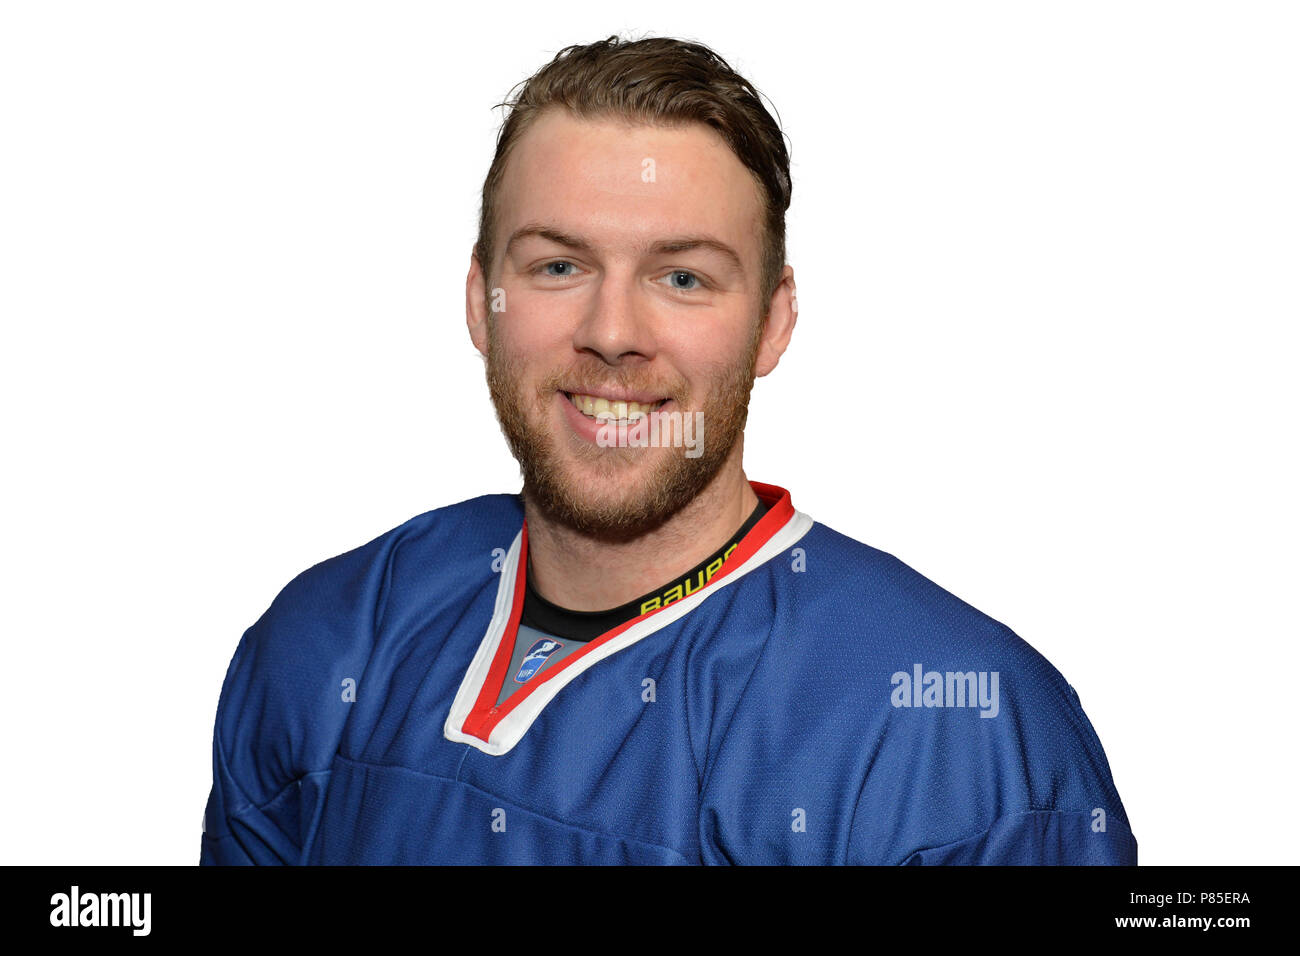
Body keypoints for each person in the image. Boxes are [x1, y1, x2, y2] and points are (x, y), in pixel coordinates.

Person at [201, 34, 1136, 865]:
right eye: (558, 266)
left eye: (683, 276)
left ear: (774, 323)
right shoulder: (328, 641)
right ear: (481, 299)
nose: (612, 333)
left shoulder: (949, 737)